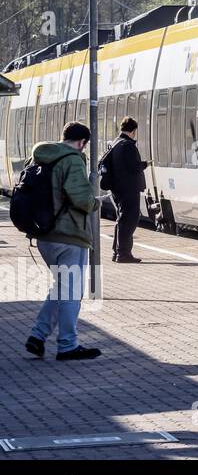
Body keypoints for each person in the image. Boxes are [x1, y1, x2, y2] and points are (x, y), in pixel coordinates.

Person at [25, 121, 101, 361]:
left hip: (44, 236)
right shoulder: (72, 160)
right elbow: (82, 199)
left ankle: (37, 337)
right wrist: (95, 201)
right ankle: (68, 345)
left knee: (61, 288)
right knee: (71, 292)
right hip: (69, 236)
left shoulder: (40, 157)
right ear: (82, 143)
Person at [107, 116, 147, 263]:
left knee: (121, 219)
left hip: (118, 188)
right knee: (129, 220)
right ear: (133, 131)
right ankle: (123, 253)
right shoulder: (128, 145)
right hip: (128, 188)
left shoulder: (115, 143)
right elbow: (133, 167)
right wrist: (144, 164)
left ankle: (117, 252)